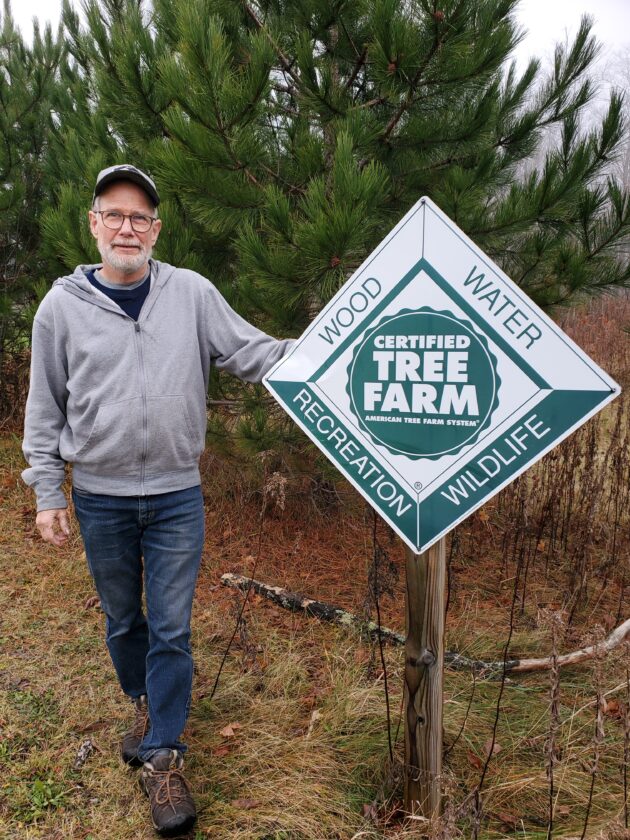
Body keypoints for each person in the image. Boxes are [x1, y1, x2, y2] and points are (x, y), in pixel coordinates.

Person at [22, 164, 293, 837]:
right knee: (123, 622)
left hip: (176, 496)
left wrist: (332, 351)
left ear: (156, 230)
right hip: (104, 498)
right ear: (93, 224)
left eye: (140, 218)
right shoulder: (61, 309)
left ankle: (165, 755)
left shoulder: (191, 294)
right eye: (114, 215)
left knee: (170, 626)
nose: (127, 227)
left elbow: (254, 352)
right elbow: (43, 405)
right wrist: (48, 490)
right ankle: (141, 701)